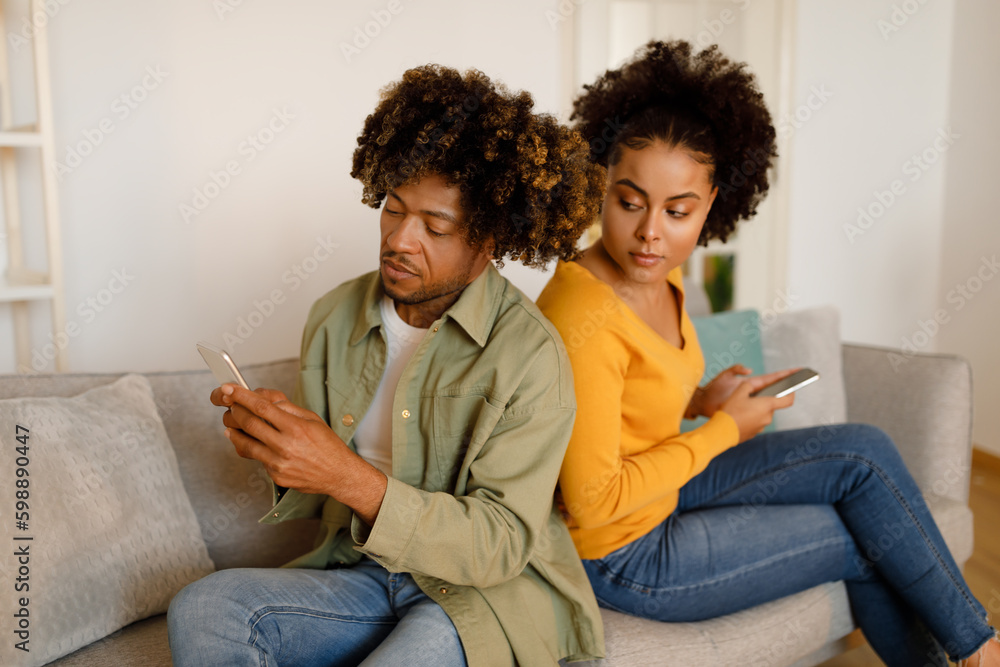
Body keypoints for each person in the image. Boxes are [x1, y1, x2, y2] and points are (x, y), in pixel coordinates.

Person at [535, 40, 999, 667]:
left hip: (667, 491)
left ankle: (975, 647)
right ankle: (978, 652)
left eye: (678, 211)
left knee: (862, 452)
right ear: (600, 185)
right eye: (628, 201)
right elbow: (592, 501)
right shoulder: (581, 311)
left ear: (711, 205)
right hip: (625, 555)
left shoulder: (659, 272)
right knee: (866, 536)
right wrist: (724, 430)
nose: (650, 232)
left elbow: (626, 404)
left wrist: (703, 399)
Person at [167, 64, 607, 667]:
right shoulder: (334, 317)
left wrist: (343, 472)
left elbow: (499, 544)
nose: (401, 239)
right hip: (360, 571)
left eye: (435, 225)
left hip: (477, 599)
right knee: (203, 607)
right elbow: (323, 481)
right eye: (394, 209)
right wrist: (280, 448)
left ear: (489, 239)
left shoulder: (531, 356)